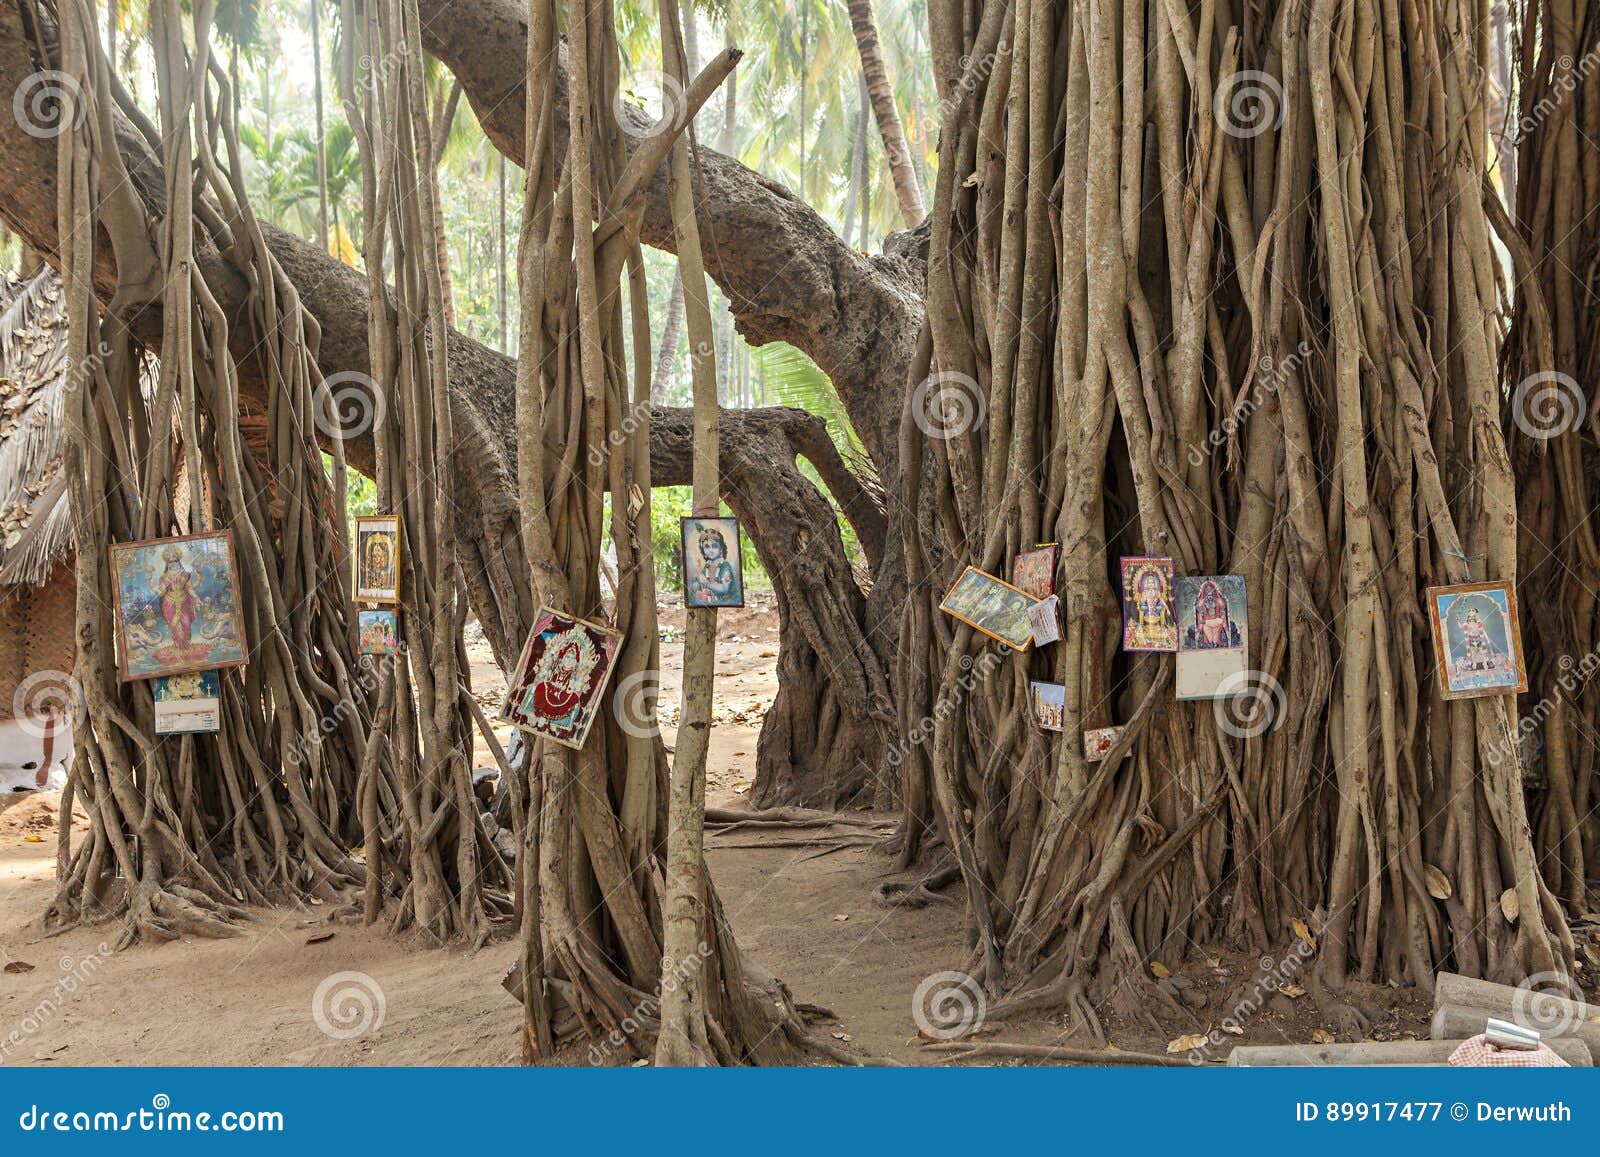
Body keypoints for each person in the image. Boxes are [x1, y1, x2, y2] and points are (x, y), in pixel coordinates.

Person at [686, 525, 739, 605]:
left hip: (726, 599)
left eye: (714, 546)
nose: (710, 550)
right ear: (702, 549)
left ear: (721, 548)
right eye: (707, 547)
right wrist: (697, 580)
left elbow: (724, 589)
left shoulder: (725, 566)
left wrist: (706, 583)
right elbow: (696, 586)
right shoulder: (707, 565)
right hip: (709, 598)